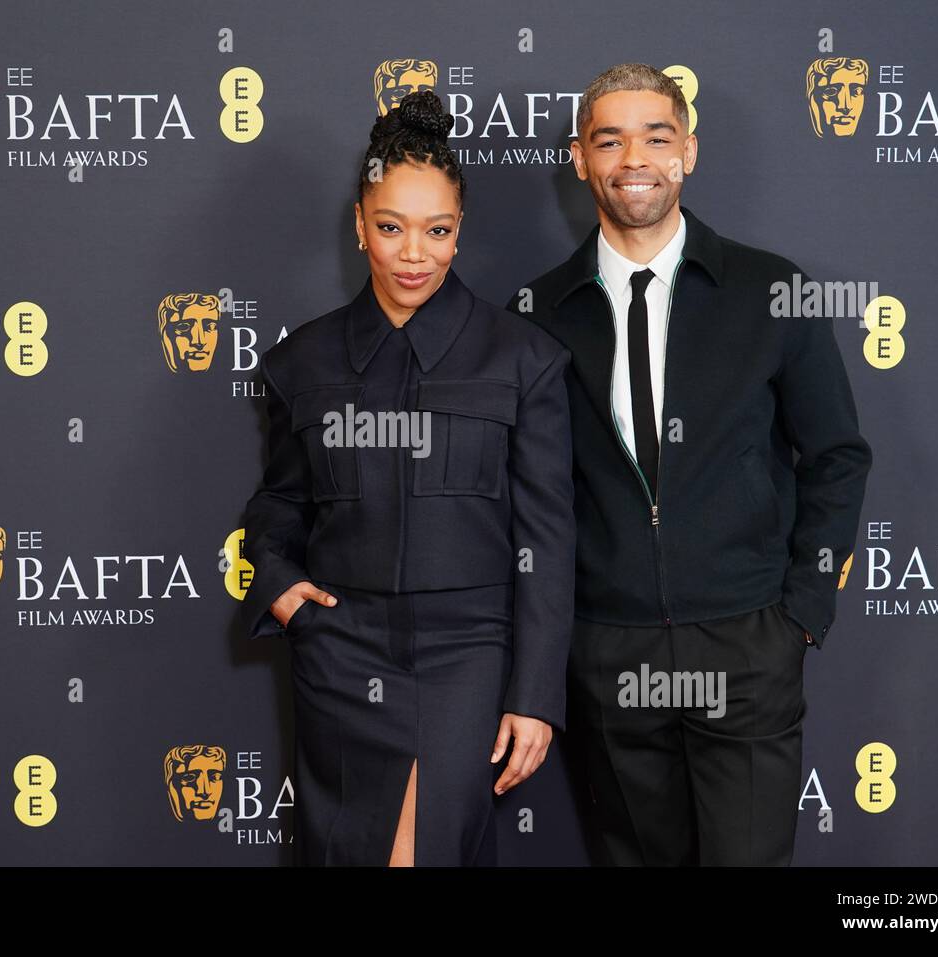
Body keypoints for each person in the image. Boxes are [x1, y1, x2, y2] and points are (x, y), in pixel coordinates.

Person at [508, 63, 871, 865]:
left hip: (748, 645)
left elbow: (837, 456)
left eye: (656, 137)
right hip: (609, 654)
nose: (634, 159)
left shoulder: (772, 290)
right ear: (580, 158)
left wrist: (801, 613)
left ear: (689, 152)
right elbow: (528, 498)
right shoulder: (535, 316)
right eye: (610, 140)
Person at [239, 90, 575, 866]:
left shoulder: (525, 359)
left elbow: (549, 538)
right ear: (360, 226)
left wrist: (534, 693)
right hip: (340, 650)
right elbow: (280, 501)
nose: (414, 253)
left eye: (437, 229)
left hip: (468, 650)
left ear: (460, 232)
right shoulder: (302, 362)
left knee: (421, 852)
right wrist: (282, 586)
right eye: (391, 227)